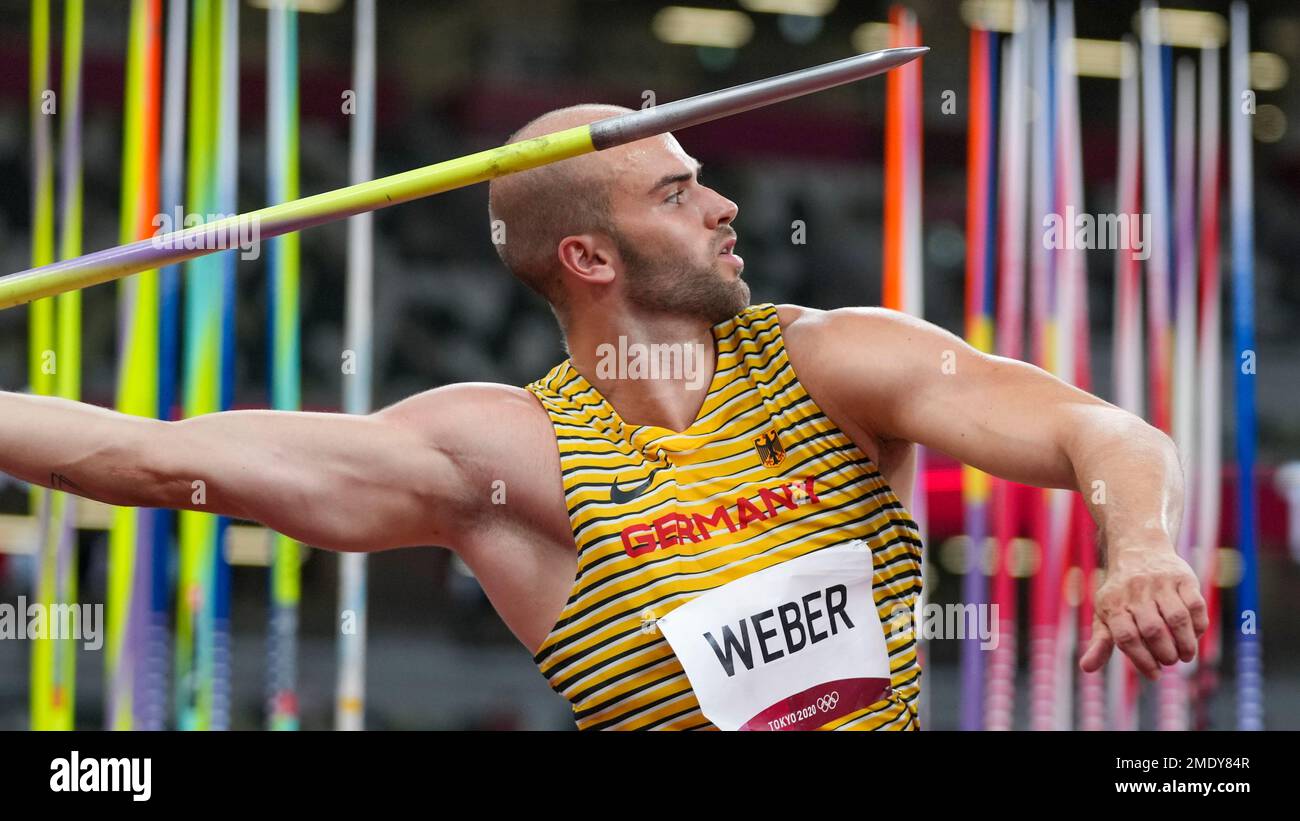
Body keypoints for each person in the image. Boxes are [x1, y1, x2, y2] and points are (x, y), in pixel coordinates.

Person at [0, 104, 1206, 730]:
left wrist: (1137, 540)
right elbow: (145, 457)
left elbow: (1100, 431)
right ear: (587, 253)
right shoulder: (498, 454)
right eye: (679, 193)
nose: (728, 205)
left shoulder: (834, 359)